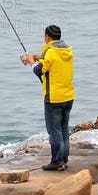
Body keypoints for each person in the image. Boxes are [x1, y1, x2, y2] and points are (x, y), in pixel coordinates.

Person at [21, 25, 74, 171]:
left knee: (54, 131)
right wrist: (41, 58)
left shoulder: (50, 52)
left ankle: (56, 161)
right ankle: (64, 159)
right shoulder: (66, 50)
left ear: (47, 37)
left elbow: (39, 70)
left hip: (54, 99)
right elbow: (54, 65)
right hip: (68, 96)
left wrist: (31, 61)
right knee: (64, 129)